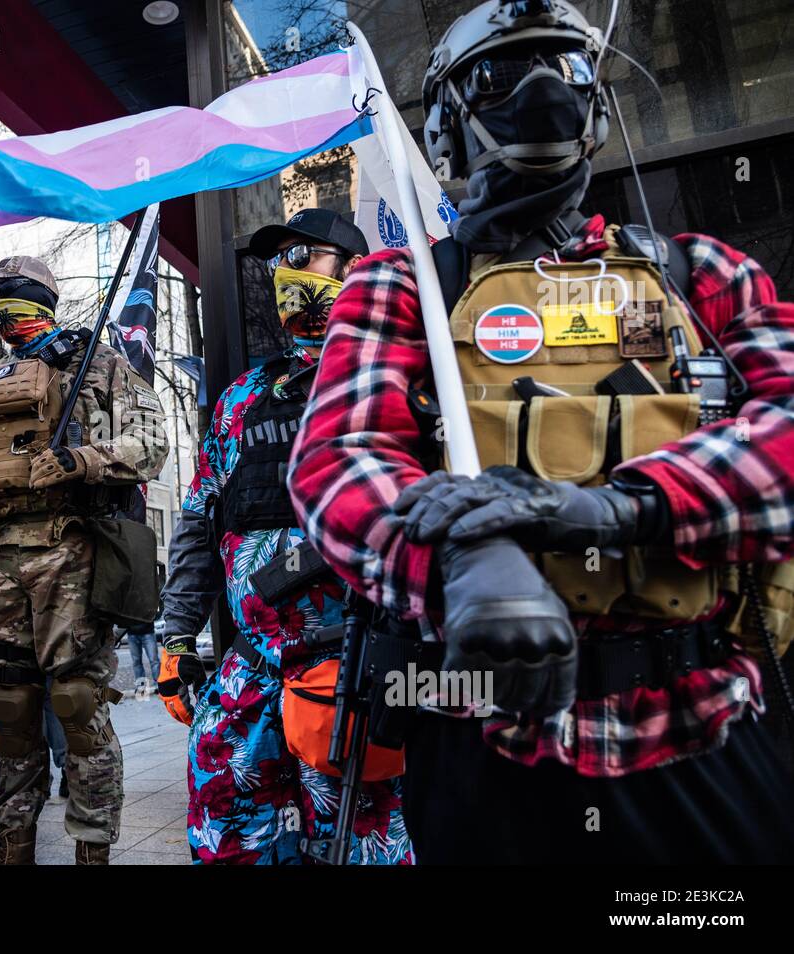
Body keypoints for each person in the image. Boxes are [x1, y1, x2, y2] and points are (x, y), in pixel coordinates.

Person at [288, 0, 794, 863]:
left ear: (596, 104)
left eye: (561, 69)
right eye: (497, 77)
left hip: (704, 729)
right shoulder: (403, 288)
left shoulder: (699, 275)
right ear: (447, 127)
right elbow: (338, 462)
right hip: (487, 747)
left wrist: (626, 510)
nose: (535, 94)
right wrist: (459, 566)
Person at [158, 209, 414, 865]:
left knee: (354, 840)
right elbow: (200, 516)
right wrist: (177, 633)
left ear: (355, 270)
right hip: (255, 656)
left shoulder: (389, 377)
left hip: (347, 651)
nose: (287, 275)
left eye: (306, 257)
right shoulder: (244, 396)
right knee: (226, 823)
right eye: (279, 263)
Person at [0, 255, 168, 864]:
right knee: (10, 706)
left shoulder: (97, 365)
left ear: (39, 297)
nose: (0, 308)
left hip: (69, 553)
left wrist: (85, 460)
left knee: (78, 704)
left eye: (10, 294)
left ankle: (91, 849)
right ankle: (14, 846)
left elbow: (151, 442)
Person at [124, 621, 159, 696]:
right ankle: (141, 687)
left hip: (148, 631)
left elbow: (158, 610)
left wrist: (153, 617)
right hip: (132, 633)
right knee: (137, 662)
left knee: (154, 660)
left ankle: (159, 685)